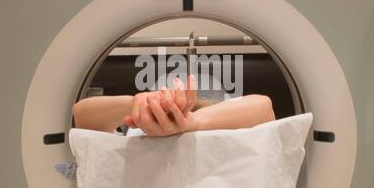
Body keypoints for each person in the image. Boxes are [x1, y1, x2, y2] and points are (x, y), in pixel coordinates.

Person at [72, 77, 274, 137]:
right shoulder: (138, 127)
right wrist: (139, 104)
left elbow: (264, 107)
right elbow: (82, 116)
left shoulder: (224, 118)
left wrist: (192, 122)